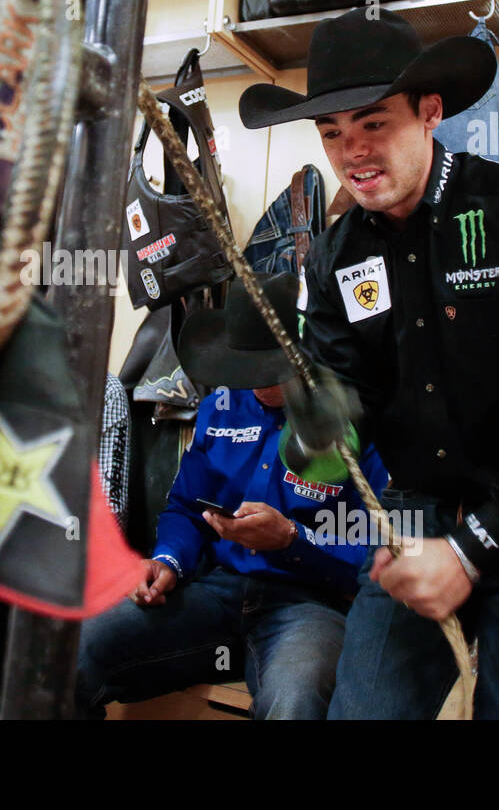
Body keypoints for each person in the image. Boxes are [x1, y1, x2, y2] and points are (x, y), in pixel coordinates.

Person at [240, 7, 499, 719]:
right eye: (331, 133)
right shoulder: (332, 259)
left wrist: (473, 546)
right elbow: (339, 433)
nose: (352, 152)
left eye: (372, 124)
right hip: (414, 519)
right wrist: (313, 434)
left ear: (429, 111)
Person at [76, 273, 389, 720]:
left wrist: (292, 541)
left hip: (308, 606)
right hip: (216, 592)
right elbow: (186, 506)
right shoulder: (222, 407)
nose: (256, 384)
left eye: (269, 369)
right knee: (78, 647)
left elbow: (378, 553)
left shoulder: (355, 424)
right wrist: (167, 561)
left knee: (295, 699)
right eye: (246, 367)